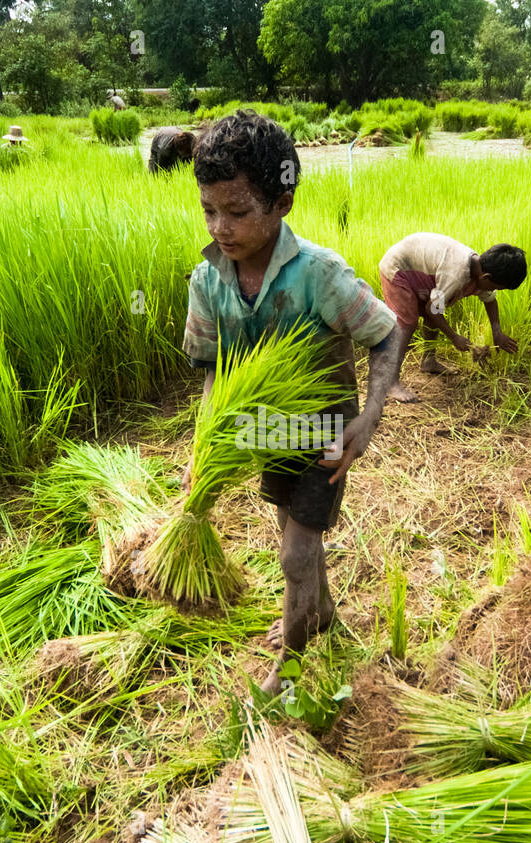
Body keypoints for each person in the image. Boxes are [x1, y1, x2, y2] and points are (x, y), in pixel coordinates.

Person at [180, 110, 402, 695]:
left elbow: (386, 334)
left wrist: (369, 416)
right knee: (287, 526)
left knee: (296, 552)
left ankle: (293, 667)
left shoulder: (319, 274)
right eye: (208, 210)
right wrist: (204, 446)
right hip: (260, 429)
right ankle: (319, 611)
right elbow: (213, 374)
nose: (220, 228)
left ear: (282, 202)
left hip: (323, 433)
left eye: (236, 211)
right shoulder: (206, 282)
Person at [377, 233, 527, 402]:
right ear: (486, 277)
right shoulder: (457, 274)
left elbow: (490, 300)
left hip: (421, 272)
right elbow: (433, 309)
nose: (493, 290)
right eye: (496, 287)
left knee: (431, 316)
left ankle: (428, 361)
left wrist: (497, 333)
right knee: (408, 324)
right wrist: (454, 337)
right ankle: (390, 381)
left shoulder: (480, 271)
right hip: (398, 270)